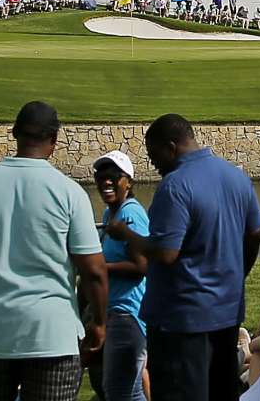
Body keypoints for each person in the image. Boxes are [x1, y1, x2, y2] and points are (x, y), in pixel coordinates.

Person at [0, 101, 106, 401]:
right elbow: (93, 271)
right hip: (53, 336)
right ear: (54, 140)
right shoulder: (70, 193)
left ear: (15, 133)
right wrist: (99, 323)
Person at [108, 113, 260, 401]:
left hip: (180, 322)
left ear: (171, 147)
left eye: (154, 156)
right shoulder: (236, 177)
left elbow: (166, 252)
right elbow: (254, 233)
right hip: (226, 312)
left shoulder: (174, 185)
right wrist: (239, 274)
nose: (154, 165)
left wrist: (126, 235)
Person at [93, 153, 149, 401]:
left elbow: (142, 266)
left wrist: (100, 268)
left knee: (121, 391)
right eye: (101, 176)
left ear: (129, 181)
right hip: (115, 311)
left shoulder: (131, 215)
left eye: (114, 177)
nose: (106, 182)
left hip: (129, 314)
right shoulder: (110, 215)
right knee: (123, 390)